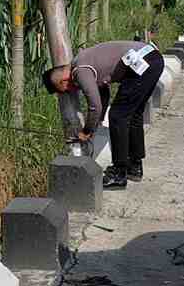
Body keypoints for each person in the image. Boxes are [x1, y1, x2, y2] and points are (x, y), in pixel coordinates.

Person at [44, 40, 165, 189]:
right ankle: (134, 166)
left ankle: (118, 174)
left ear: (63, 81)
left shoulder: (80, 70)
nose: (71, 91)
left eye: (65, 90)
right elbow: (103, 92)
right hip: (153, 59)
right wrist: (98, 121)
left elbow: (95, 105)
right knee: (133, 114)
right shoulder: (84, 62)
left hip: (143, 63)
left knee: (117, 115)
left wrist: (86, 131)